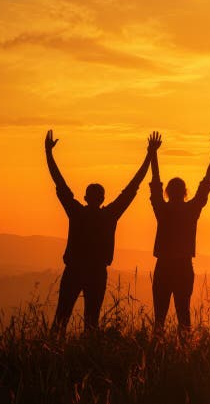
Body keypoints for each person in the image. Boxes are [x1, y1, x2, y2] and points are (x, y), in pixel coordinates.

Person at [45, 129, 154, 333]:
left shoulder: (77, 212)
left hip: (75, 270)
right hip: (96, 272)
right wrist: (149, 155)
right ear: (102, 199)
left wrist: (48, 154)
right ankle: (87, 360)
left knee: (61, 318)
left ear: (86, 198)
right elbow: (133, 187)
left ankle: (51, 357)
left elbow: (59, 183)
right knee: (91, 323)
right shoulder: (109, 215)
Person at [149, 133, 210, 332]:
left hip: (164, 265)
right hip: (183, 266)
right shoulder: (191, 210)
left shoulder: (163, 210)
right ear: (185, 192)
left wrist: (153, 154)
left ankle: (156, 353)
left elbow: (155, 183)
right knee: (184, 315)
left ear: (168, 192)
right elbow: (205, 184)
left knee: (159, 318)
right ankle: (185, 353)